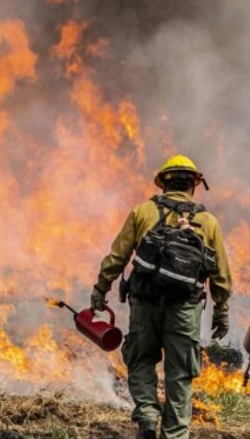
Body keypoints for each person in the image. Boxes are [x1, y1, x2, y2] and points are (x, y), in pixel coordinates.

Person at [91, 155, 232, 439]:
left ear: (164, 183)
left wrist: (100, 290)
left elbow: (117, 257)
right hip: (185, 308)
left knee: (141, 359)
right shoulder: (207, 221)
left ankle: (146, 415)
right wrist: (221, 310)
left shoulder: (142, 212)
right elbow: (220, 274)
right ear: (194, 184)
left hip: (144, 303)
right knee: (179, 373)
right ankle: (175, 434)